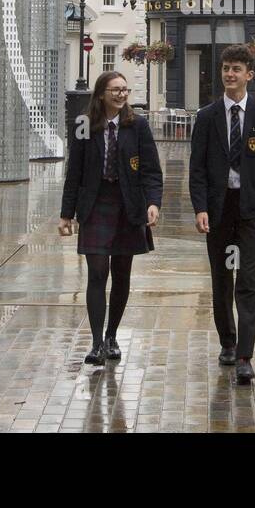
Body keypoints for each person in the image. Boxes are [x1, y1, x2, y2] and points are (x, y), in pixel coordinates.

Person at [189, 44, 255, 385]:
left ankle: (245, 355)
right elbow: (197, 169)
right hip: (218, 208)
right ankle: (227, 343)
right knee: (221, 278)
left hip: (252, 208)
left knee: (247, 277)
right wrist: (200, 207)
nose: (230, 74)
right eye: (226, 68)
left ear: (249, 74)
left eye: (236, 69)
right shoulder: (206, 117)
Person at [60, 71, 162, 366]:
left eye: (125, 90)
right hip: (95, 205)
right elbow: (74, 172)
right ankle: (95, 343)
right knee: (96, 272)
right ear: (101, 93)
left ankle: (112, 336)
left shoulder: (138, 125)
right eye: (115, 90)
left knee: (121, 274)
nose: (121, 95)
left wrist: (153, 203)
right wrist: (66, 214)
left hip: (128, 206)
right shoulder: (84, 126)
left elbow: (151, 170)